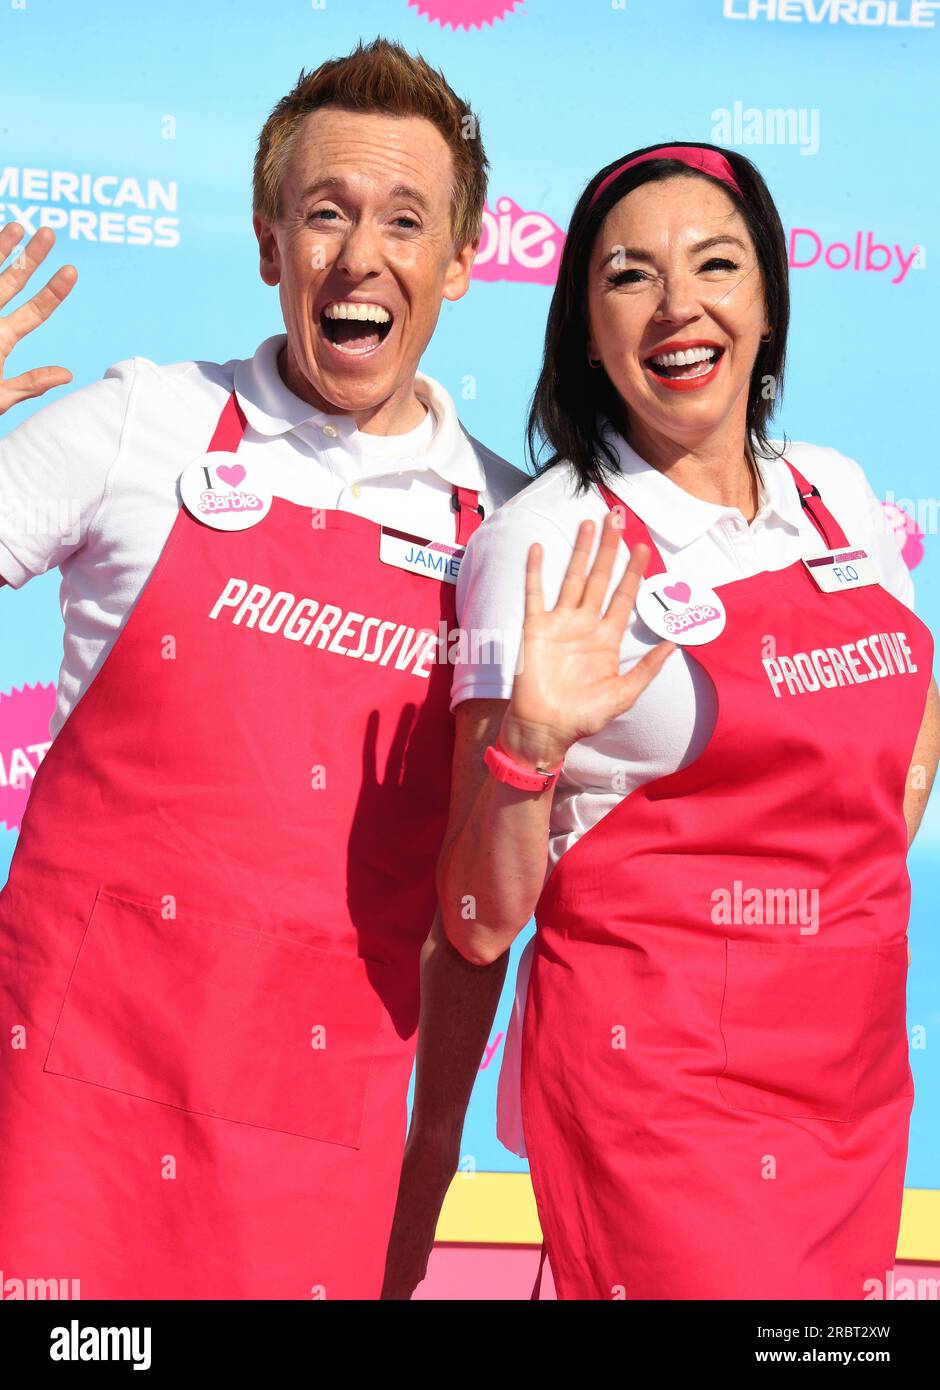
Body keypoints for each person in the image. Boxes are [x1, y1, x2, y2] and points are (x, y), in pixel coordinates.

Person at [0, 38, 524, 1300]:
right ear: (265, 243)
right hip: (62, 1123)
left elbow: (494, 912)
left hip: (312, 1153)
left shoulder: (509, 527)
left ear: (460, 260)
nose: (359, 256)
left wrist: (435, 1155)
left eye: (405, 219)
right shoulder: (144, 419)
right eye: (325, 213)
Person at [433, 142, 939, 1299]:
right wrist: (529, 749)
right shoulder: (545, 540)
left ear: (767, 300)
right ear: (586, 327)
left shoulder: (838, 495)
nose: (678, 307)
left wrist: (820, 904)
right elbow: (471, 916)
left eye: (716, 264)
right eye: (629, 276)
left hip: (851, 1088)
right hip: (657, 1107)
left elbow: (908, 727)